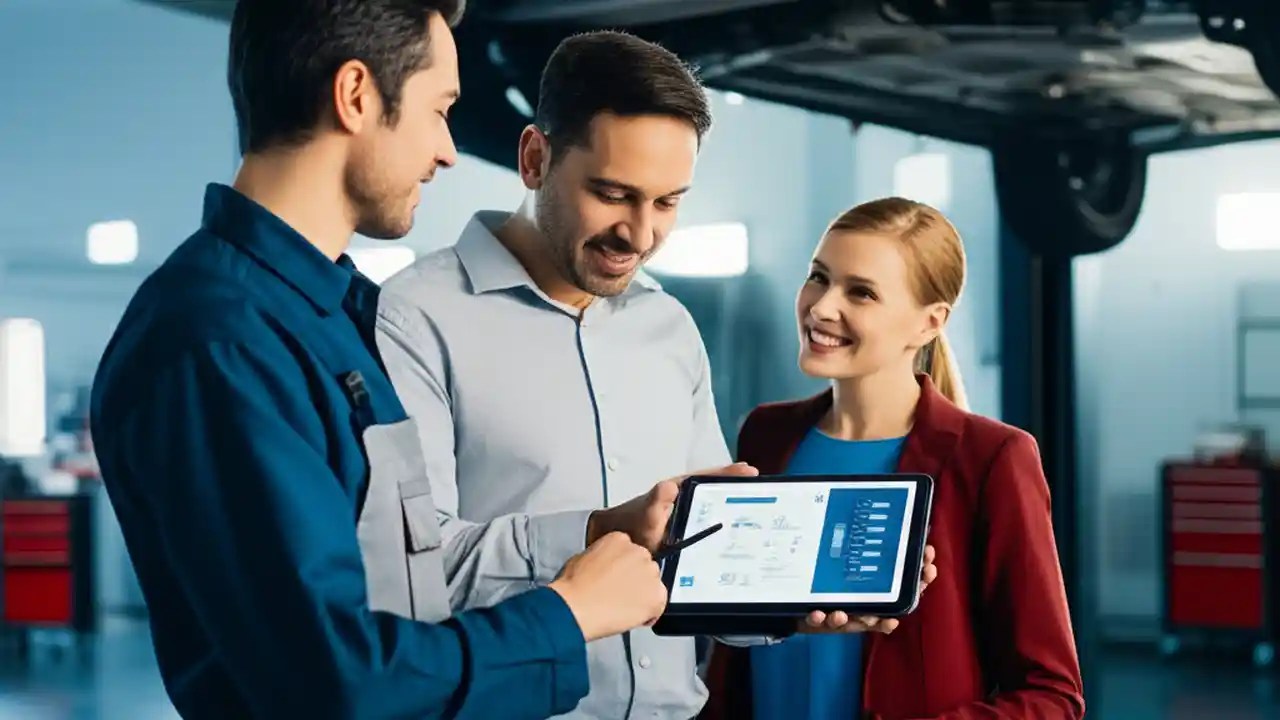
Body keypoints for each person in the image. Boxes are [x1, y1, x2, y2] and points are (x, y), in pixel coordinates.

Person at [89, 3, 674, 718]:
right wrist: (569, 612)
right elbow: (334, 682)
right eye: (440, 110)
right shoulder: (218, 342)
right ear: (357, 95)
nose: (449, 150)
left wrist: (596, 537)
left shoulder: (331, 315)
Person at [374, 32, 935, 720]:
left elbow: (701, 573)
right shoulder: (414, 318)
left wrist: (788, 604)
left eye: (667, 202)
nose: (639, 234)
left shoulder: (668, 327)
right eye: (613, 194)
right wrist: (594, 532)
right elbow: (416, 573)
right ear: (534, 158)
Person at [700, 197, 1085, 719]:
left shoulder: (992, 458)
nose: (821, 307)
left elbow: (1052, 694)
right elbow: (732, 649)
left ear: (928, 323)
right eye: (819, 277)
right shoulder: (765, 435)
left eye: (860, 292)